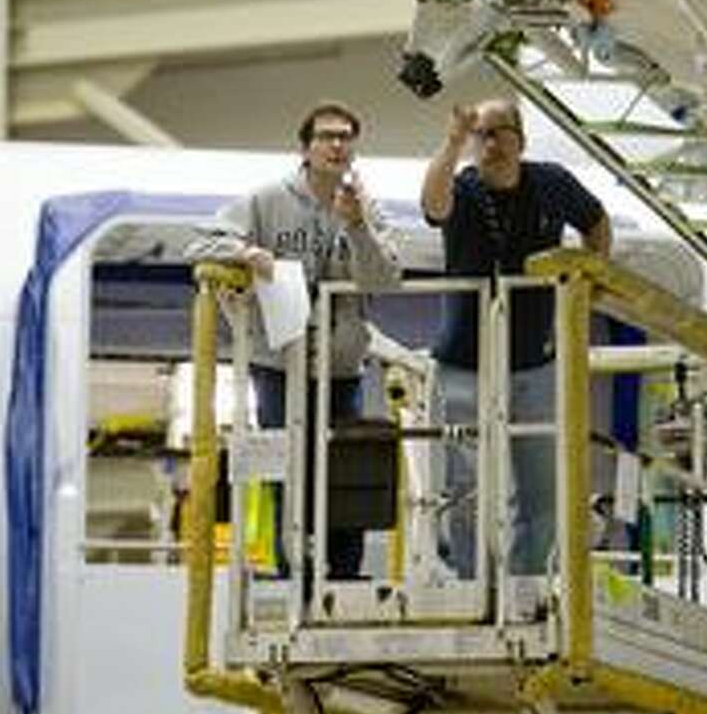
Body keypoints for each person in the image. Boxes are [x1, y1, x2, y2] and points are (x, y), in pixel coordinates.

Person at [189, 102, 401, 579]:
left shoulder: (367, 206)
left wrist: (358, 227)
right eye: (326, 136)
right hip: (277, 361)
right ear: (304, 148)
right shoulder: (266, 200)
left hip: (342, 364)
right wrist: (247, 252)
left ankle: (343, 577)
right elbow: (199, 243)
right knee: (288, 468)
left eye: (346, 137)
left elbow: (384, 278)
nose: (337, 145)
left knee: (343, 471)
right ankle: (293, 576)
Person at [421, 96, 611, 578]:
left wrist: (590, 280)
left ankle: (526, 589)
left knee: (541, 489)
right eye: (480, 135)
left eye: (498, 132)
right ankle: (474, 588)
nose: (489, 143)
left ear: (519, 139)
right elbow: (432, 205)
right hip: (464, 362)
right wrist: (451, 141)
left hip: (533, 363)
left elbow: (595, 221)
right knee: (467, 489)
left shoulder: (550, 183)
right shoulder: (462, 187)